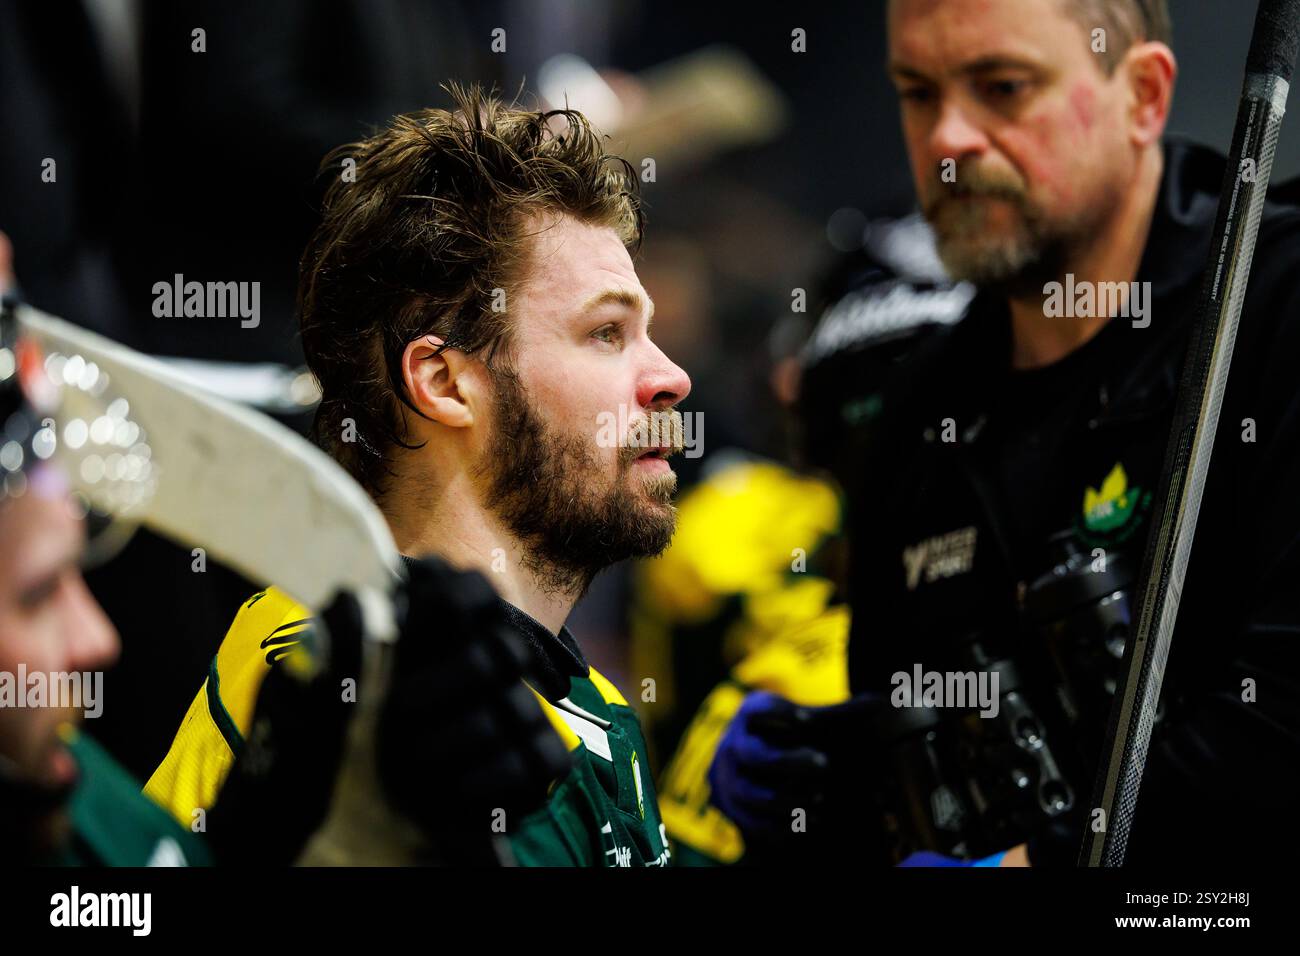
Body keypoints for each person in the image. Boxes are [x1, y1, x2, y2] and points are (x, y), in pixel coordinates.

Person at [710, 0, 1300, 866]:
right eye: (917, 92)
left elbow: (1283, 720)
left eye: (1003, 87)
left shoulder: (1273, 306)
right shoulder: (920, 418)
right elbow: (936, 763)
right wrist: (824, 778)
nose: (948, 139)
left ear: (1142, 95)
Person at [146, 83, 692, 867]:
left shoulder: (596, 707)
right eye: (607, 332)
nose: (669, 376)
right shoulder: (320, 661)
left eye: (648, 332)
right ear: (443, 382)